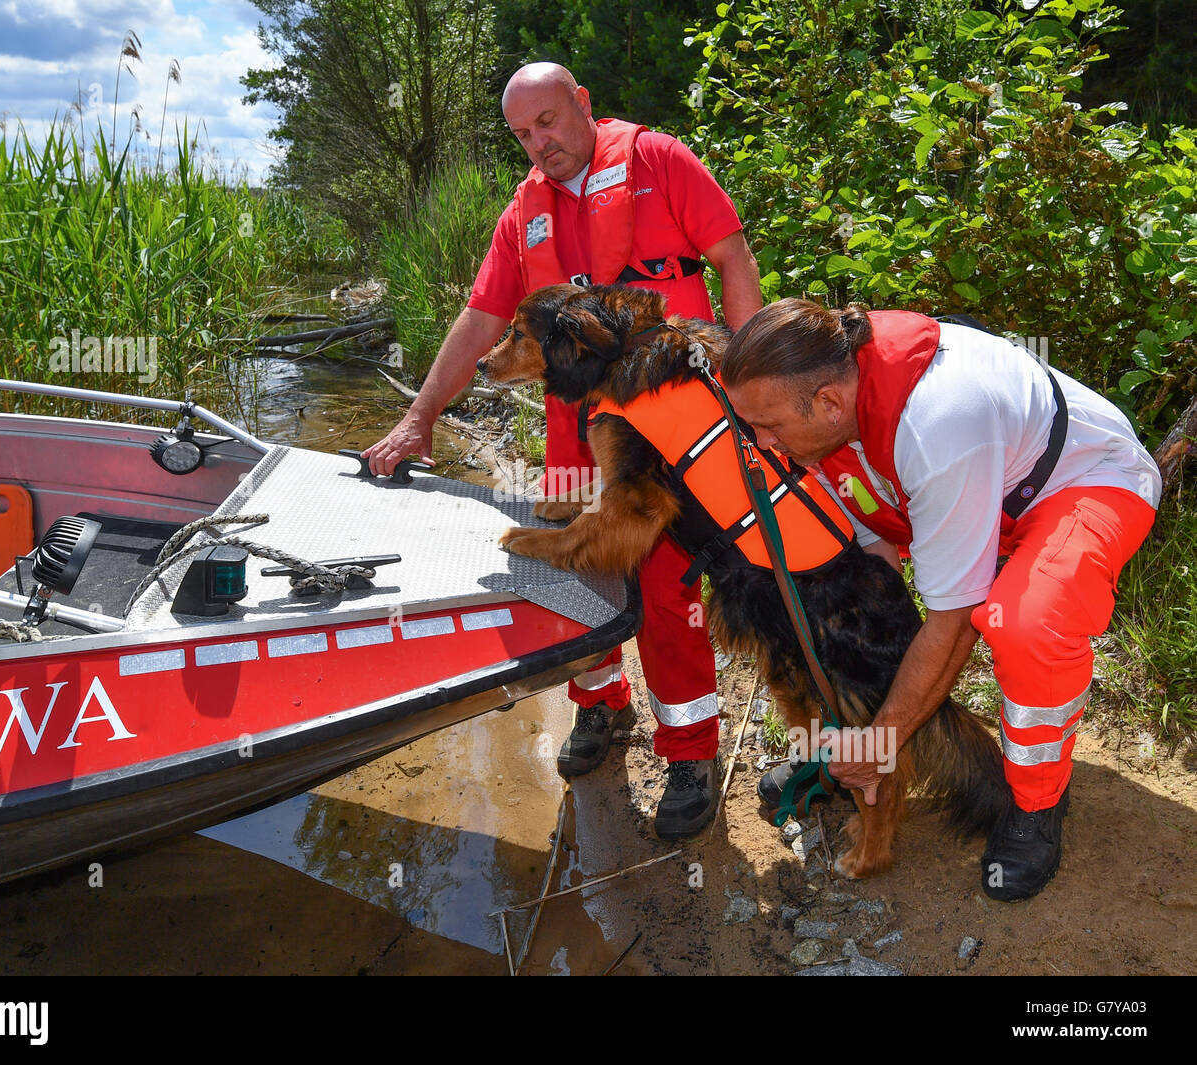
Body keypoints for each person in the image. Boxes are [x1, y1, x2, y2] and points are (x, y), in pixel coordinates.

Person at [364, 62, 762, 837]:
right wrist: (418, 418)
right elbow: (482, 318)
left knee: (666, 583)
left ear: (582, 103)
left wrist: (748, 386)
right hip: (576, 423)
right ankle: (601, 705)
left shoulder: (658, 161)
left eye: (547, 122)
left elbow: (733, 260)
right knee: (573, 568)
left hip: (673, 416)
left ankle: (689, 750)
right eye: (522, 134)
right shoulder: (525, 211)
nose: (538, 144)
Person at [720, 300, 1159, 899]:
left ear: (828, 403)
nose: (760, 443)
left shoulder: (938, 422)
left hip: (1080, 482)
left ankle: (1034, 803)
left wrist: (882, 741)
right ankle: (841, 759)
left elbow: (954, 623)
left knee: (1023, 622)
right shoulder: (837, 389)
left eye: (768, 427)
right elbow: (874, 557)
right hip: (979, 488)